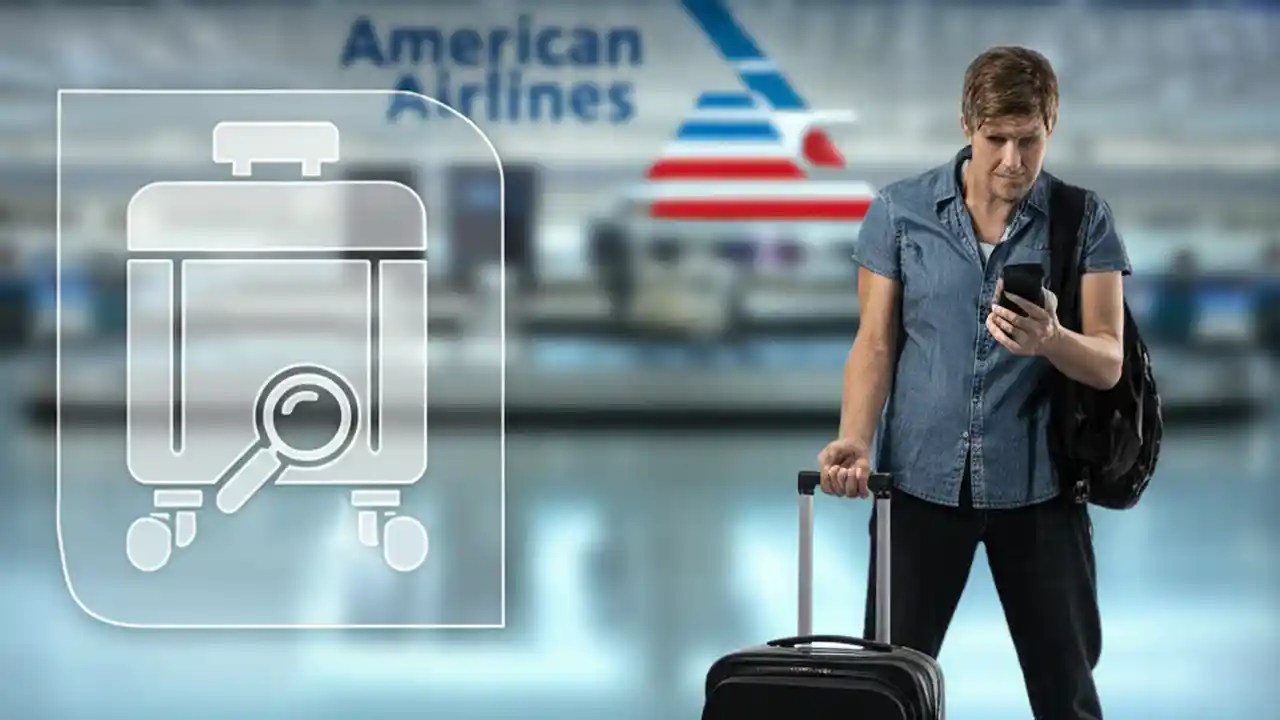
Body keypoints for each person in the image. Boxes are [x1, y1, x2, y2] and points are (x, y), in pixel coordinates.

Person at [818, 46, 1131, 720]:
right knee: (888, 690)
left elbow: (1108, 361)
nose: (1012, 161)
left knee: (1067, 696)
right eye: (997, 140)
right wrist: (853, 438)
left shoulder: (1083, 219)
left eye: (1030, 140)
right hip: (920, 485)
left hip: (1042, 489)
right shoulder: (900, 214)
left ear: (1051, 125)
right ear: (967, 123)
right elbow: (875, 343)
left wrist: (1051, 340)